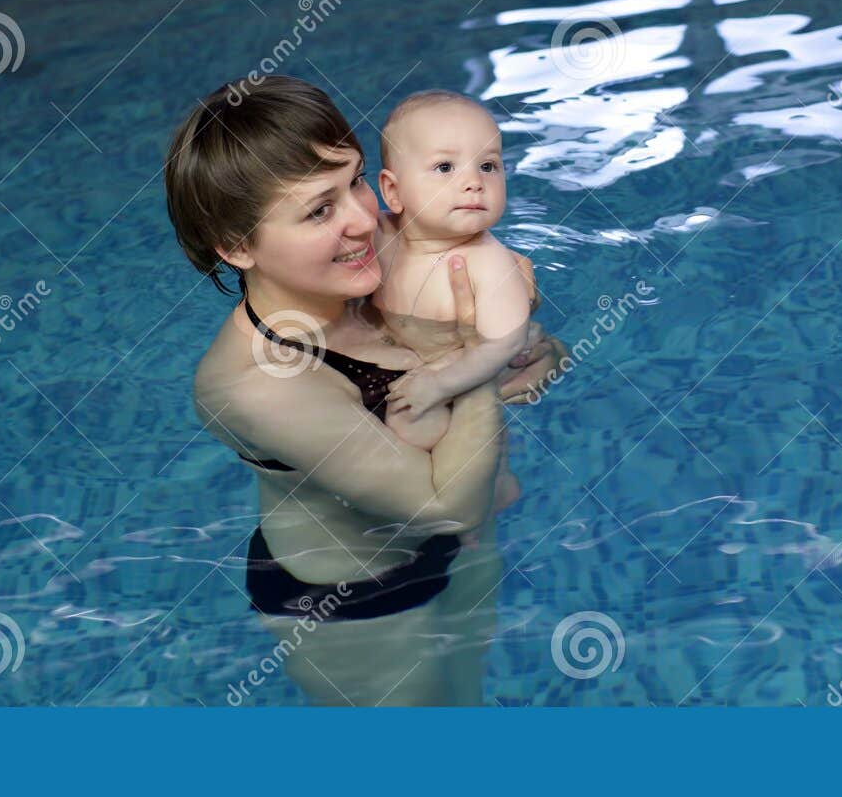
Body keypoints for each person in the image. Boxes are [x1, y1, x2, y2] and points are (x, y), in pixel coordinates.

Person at [163, 76, 563, 705]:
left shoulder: (373, 255)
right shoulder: (255, 383)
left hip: (464, 547)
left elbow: (539, 356)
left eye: (353, 180)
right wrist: (478, 361)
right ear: (238, 246)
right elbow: (444, 503)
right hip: (356, 605)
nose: (363, 218)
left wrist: (518, 338)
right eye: (319, 209)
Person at [373, 90, 530, 514]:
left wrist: (443, 383)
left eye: (488, 165)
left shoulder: (488, 262)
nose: (473, 181)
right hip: (402, 361)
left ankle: (485, 494)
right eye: (445, 167)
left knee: (417, 428)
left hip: (456, 371)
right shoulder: (380, 237)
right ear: (393, 190)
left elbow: (504, 344)